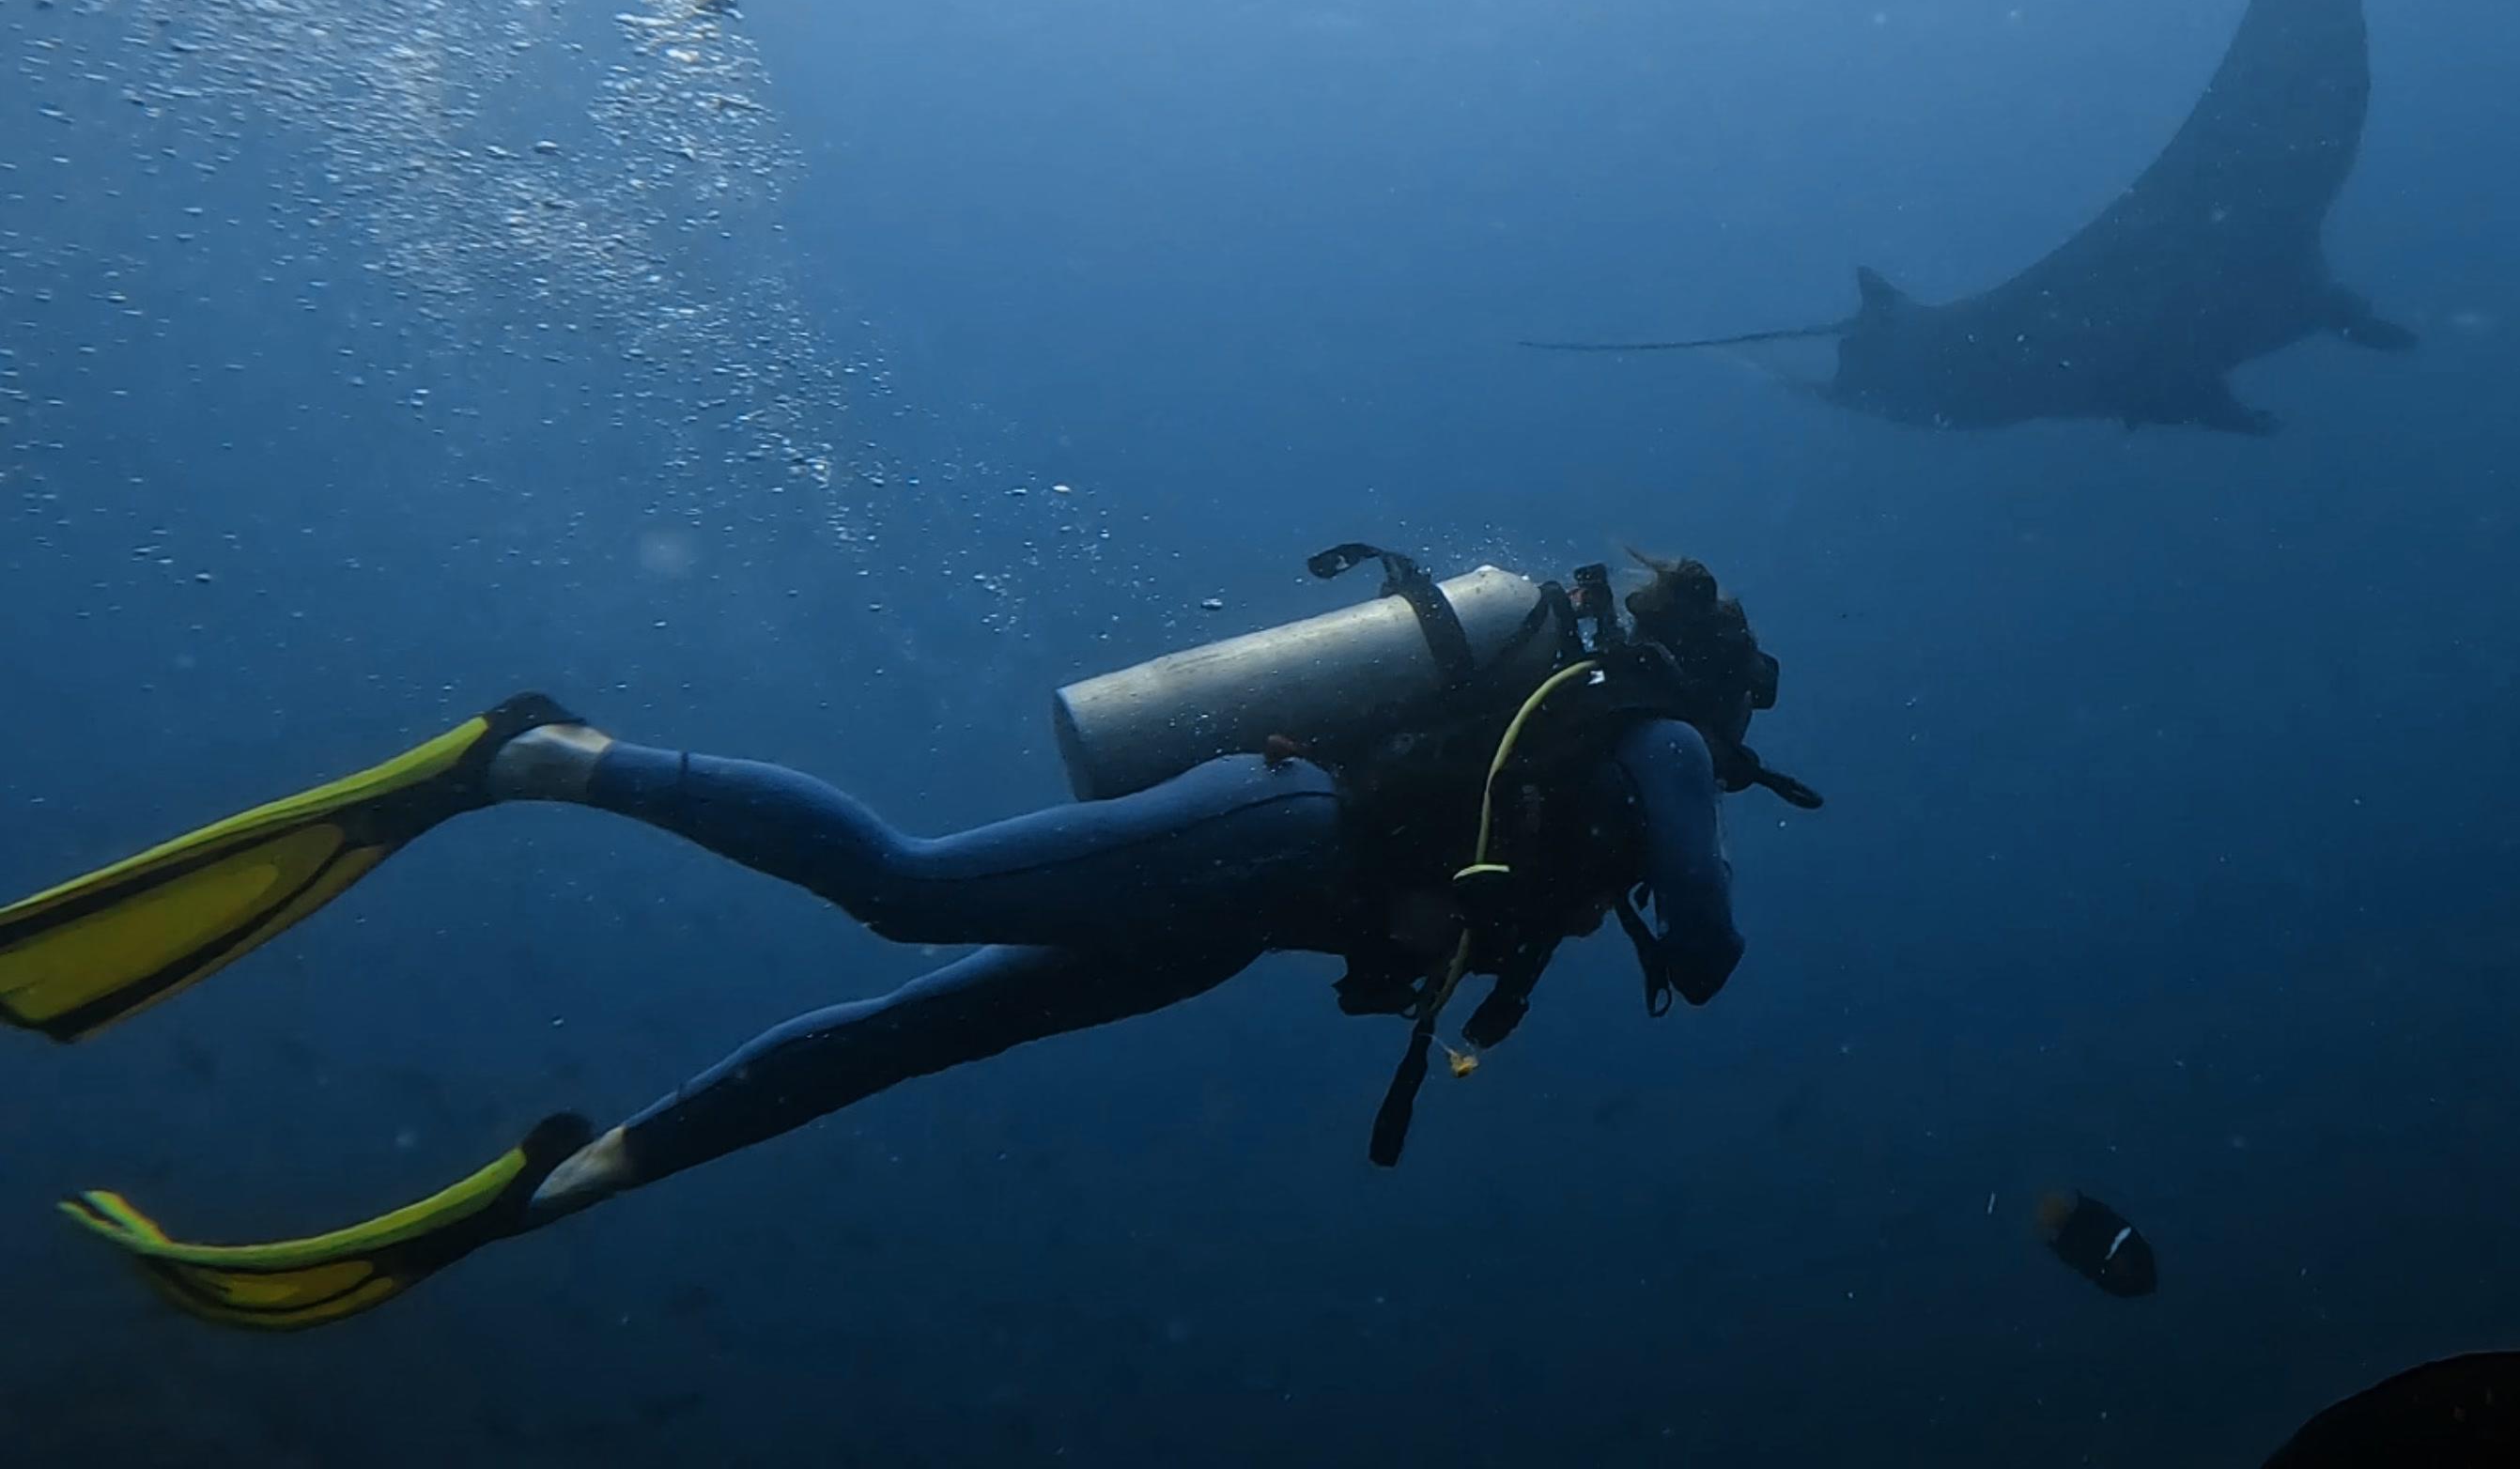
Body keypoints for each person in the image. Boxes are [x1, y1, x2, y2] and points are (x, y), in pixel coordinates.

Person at [0, 546, 1819, 1330]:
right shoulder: (1653, 735)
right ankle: (537, 755)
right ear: (1722, 696)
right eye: (1735, 737)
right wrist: (1691, 887)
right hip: (1273, 837)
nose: (1727, 763)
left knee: (907, 1032)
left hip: (1247, 917)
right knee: (908, 886)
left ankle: (557, 1187)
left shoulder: (1613, 738)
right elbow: (1715, 927)